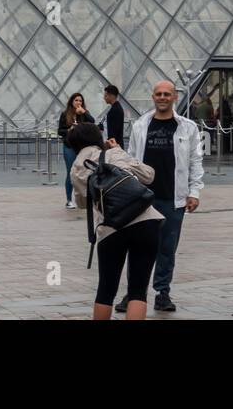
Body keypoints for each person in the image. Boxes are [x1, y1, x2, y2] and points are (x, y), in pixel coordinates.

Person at [119, 80, 204, 313]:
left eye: (167, 94)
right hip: (142, 197)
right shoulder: (140, 125)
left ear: (175, 97)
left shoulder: (188, 127)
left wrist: (194, 192)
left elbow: (196, 161)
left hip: (173, 197)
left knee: (167, 248)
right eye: (159, 94)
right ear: (153, 97)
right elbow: (131, 160)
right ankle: (134, 293)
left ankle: (162, 293)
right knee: (137, 247)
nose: (163, 97)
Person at [68, 121, 164, 320]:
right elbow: (149, 175)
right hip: (145, 220)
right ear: (97, 137)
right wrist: (119, 150)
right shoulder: (113, 154)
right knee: (138, 290)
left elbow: (82, 203)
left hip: (110, 227)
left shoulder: (76, 168)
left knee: (106, 289)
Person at [58, 92, 95, 210]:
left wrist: (84, 113)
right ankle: (69, 200)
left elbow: (92, 122)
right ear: (71, 102)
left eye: (80, 100)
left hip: (82, 148)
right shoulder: (65, 114)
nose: (78, 102)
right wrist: (69, 130)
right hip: (69, 146)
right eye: (76, 100)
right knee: (70, 172)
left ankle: (83, 198)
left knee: (84, 172)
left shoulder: (84, 114)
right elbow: (60, 131)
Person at [101, 84, 125, 150]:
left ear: (111, 96)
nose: (104, 98)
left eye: (105, 95)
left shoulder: (115, 110)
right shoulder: (116, 108)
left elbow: (113, 131)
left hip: (114, 146)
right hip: (115, 144)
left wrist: (109, 144)